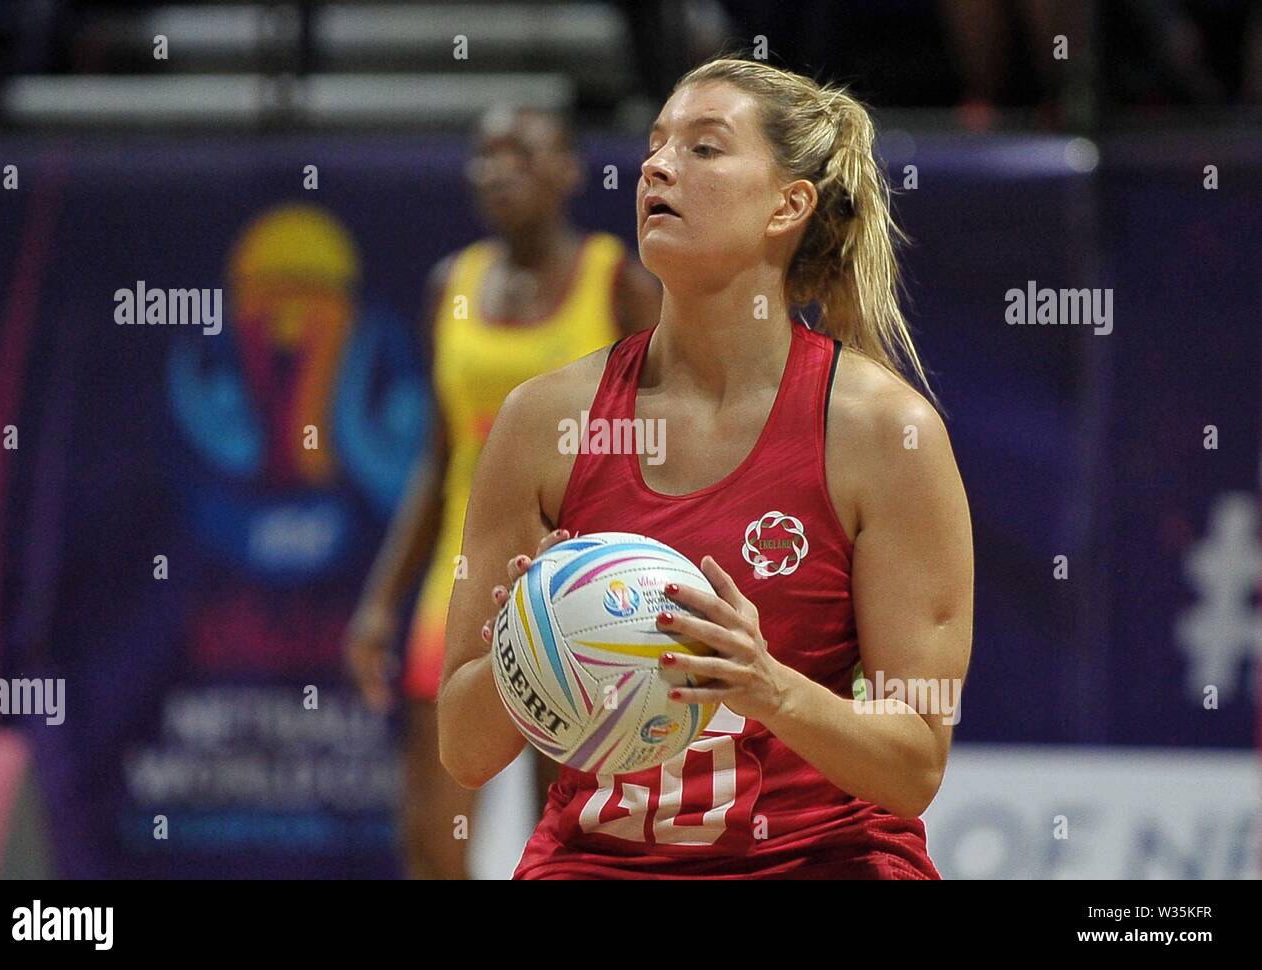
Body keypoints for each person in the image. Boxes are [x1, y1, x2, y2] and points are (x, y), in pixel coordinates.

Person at [438, 57, 974, 878]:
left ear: (788, 205)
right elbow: (463, 751)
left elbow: (915, 770)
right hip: (599, 858)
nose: (657, 166)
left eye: (704, 149)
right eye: (655, 146)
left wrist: (768, 687)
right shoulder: (545, 421)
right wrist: (526, 647)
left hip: (820, 858)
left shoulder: (883, 431)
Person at [344, 105, 660, 880]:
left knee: (567, 834)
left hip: (582, 583)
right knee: (433, 840)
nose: (498, 167)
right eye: (484, 153)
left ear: (570, 170)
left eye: (523, 150)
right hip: (462, 576)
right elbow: (437, 455)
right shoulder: (450, 283)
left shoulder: (618, 281)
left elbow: (665, 446)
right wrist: (381, 598)